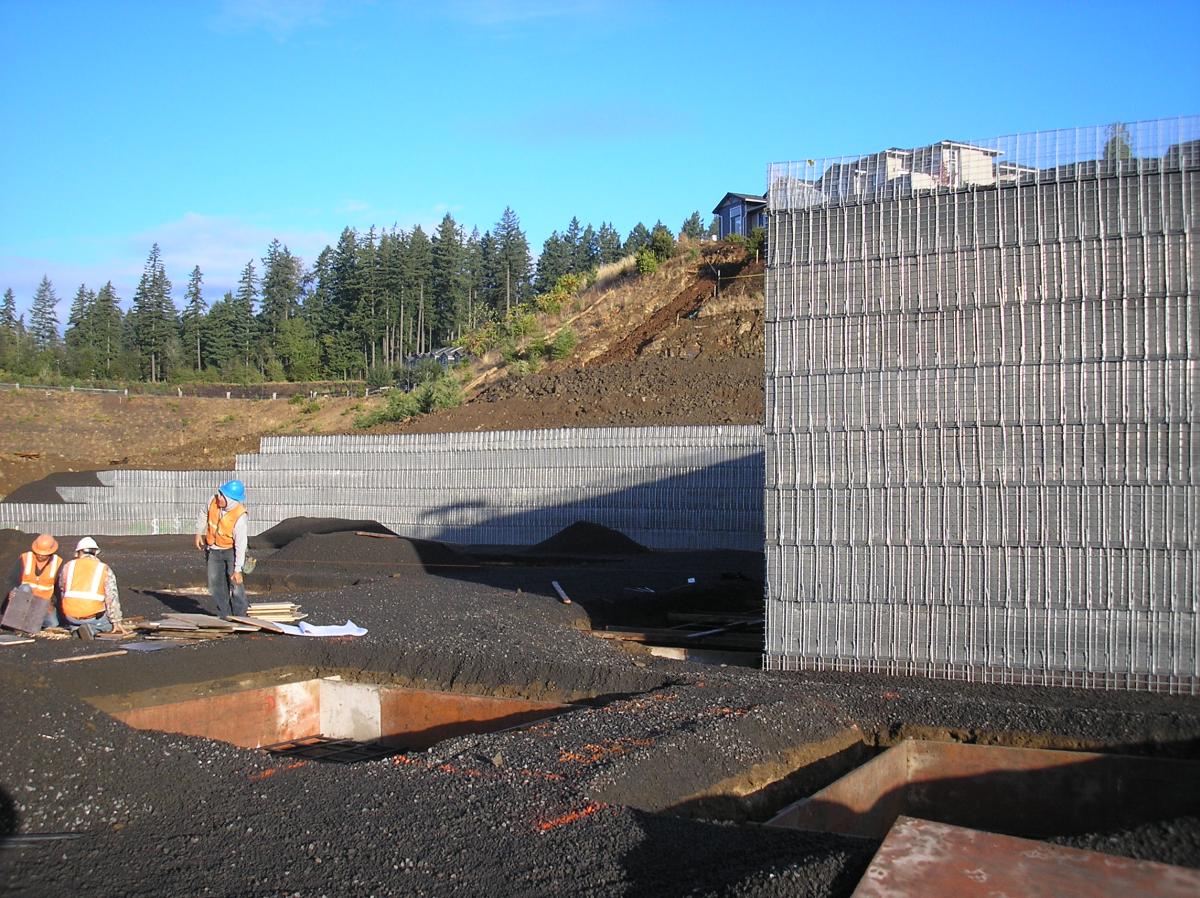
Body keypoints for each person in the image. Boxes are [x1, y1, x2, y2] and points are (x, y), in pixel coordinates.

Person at [195, 479, 249, 619]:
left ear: (231, 500)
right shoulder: (213, 502)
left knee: (235, 584)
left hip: (231, 551)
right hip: (213, 550)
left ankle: (240, 616)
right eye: (219, 494)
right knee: (216, 585)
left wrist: (237, 569)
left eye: (222, 496)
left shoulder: (239, 516)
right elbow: (203, 513)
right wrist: (198, 533)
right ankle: (224, 615)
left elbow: (241, 545)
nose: (218, 497)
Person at [58, 537, 122, 640]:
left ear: (78, 553)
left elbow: (62, 588)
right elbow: (112, 597)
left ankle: (75, 628)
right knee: (107, 625)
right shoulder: (103, 568)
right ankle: (93, 629)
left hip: (69, 616)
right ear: (96, 552)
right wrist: (116, 621)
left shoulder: (67, 566)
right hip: (92, 618)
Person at [4, 533, 64, 631]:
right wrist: (12, 592)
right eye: (38, 553)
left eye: (43, 554)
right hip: (25, 601)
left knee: (53, 623)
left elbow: (59, 589)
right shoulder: (25, 558)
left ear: (50, 553)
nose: (40, 555)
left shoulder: (58, 563)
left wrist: (52, 604)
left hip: (42, 604)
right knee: (25, 587)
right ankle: (17, 624)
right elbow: (12, 580)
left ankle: (33, 623)